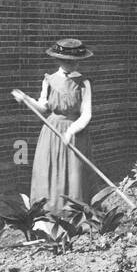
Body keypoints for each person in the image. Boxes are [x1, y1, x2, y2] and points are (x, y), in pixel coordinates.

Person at [28, 39, 99, 211]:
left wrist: (71, 132)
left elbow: (86, 114)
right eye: (68, 61)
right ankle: (48, 216)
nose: (72, 65)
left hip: (75, 134)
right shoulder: (49, 80)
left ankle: (74, 217)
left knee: (75, 175)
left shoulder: (83, 83)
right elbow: (42, 107)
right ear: (58, 60)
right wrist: (27, 100)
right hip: (51, 133)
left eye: (75, 61)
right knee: (49, 172)